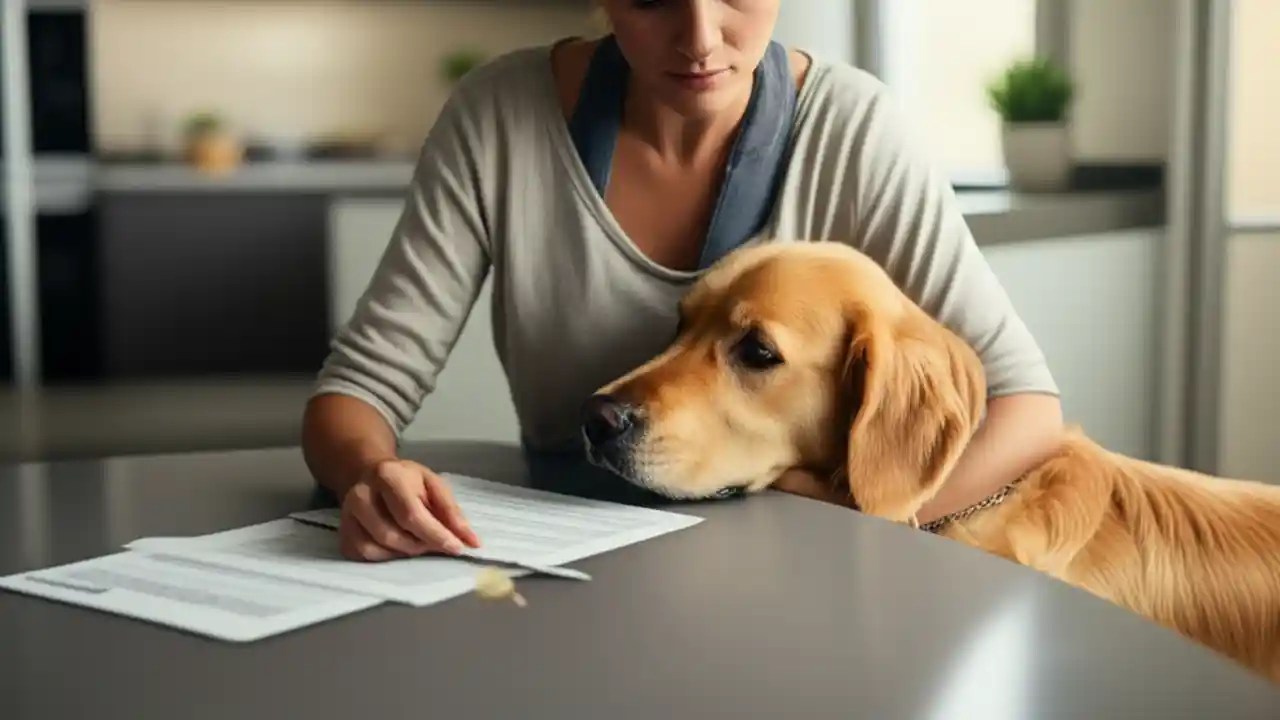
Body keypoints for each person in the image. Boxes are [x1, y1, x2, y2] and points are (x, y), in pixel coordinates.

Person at [301, 0, 1065, 562]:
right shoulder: (497, 117)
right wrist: (371, 477)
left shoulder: (856, 130)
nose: (701, 37)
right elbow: (358, 391)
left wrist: (842, 511)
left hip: (792, 572)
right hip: (561, 566)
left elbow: (1027, 411)